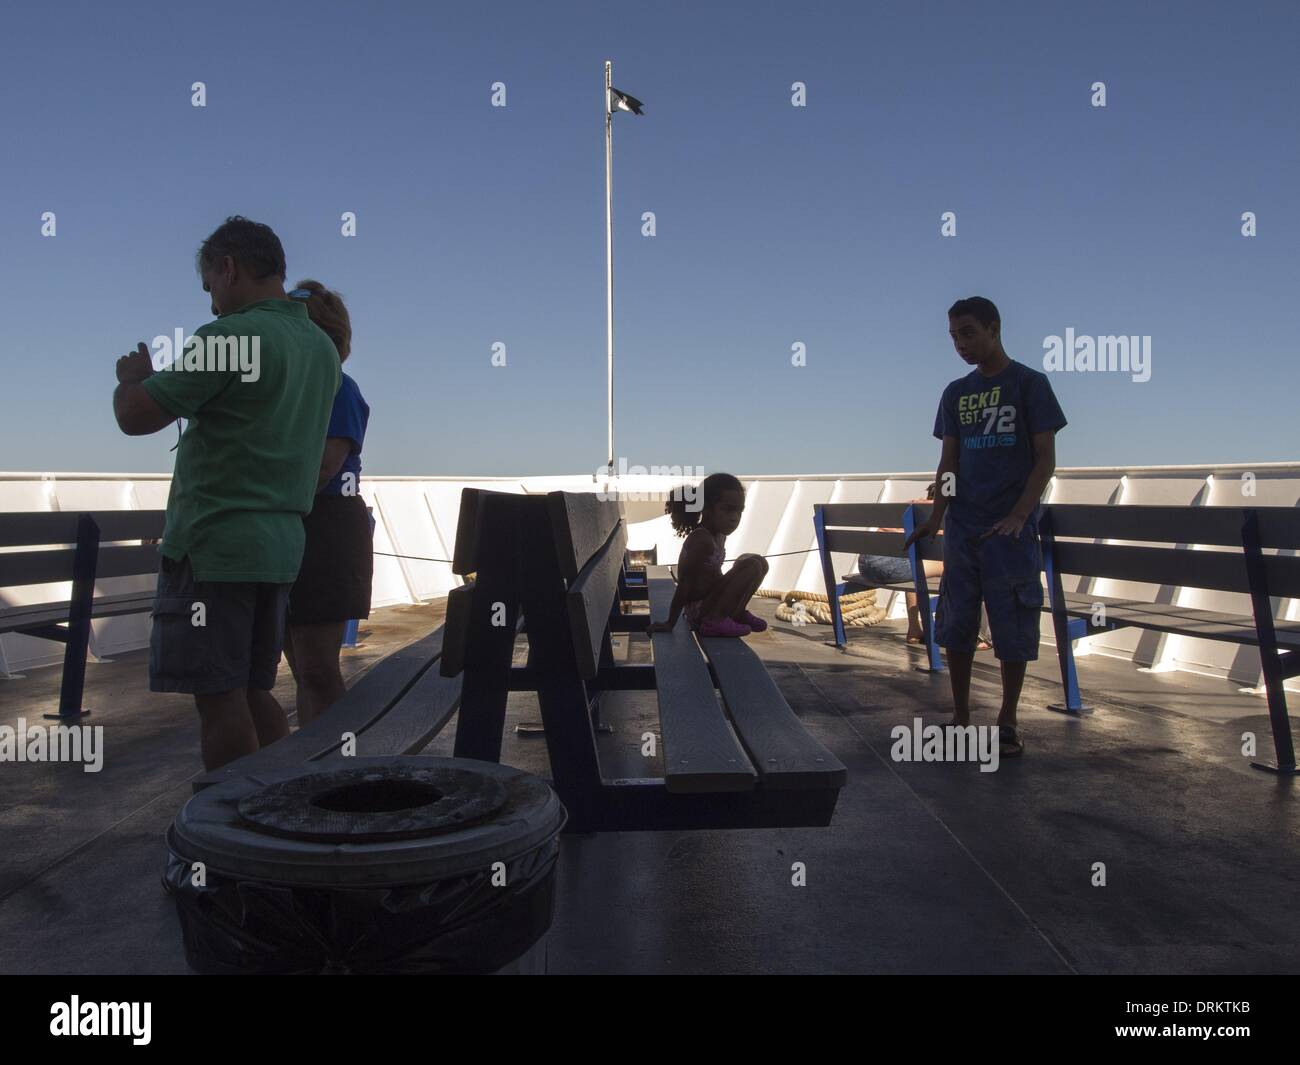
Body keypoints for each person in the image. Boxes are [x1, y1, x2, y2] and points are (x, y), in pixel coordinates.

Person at [112, 217, 340, 771]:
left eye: (210, 284)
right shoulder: (320, 349)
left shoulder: (230, 337)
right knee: (255, 691)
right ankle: (283, 805)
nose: (212, 303)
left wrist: (132, 378)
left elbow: (136, 416)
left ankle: (232, 831)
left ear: (229, 267)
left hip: (216, 549)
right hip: (280, 549)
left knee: (218, 699)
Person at [905, 296, 1067, 757]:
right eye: (954, 335)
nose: (960, 343)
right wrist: (937, 518)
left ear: (995, 329)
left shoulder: (1030, 384)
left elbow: (1044, 459)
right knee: (956, 621)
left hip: (1009, 532)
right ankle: (960, 715)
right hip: (964, 527)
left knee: (1012, 621)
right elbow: (949, 461)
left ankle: (1008, 719)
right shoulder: (955, 393)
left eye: (969, 332)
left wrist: (1020, 514)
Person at [282, 280, 372, 724]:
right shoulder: (289, 393)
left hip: (325, 530)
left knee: (317, 670)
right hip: (287, 527)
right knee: (301, 671)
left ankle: (339, 773)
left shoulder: (339, 388)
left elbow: (322, 467)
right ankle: (311, 768)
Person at [857, 483, 992, 649]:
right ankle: (980, 634)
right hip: (890, 566)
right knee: (964, 569)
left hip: (865, 564)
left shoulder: (913, 505)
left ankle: (914, 628)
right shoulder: (941, 514)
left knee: (918, 564)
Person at [647, 473, 769, 637]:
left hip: (710, 601)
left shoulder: (719, 535)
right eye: (727, 509)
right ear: (706, 508)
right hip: (699, 611)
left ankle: (737, 612)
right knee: (752, 565)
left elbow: (713, 576)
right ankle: (715, 620)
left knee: (759, 561)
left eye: (739, 511)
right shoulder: (701, 540)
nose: (734, 518)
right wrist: (670, 623)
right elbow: (685, 584)